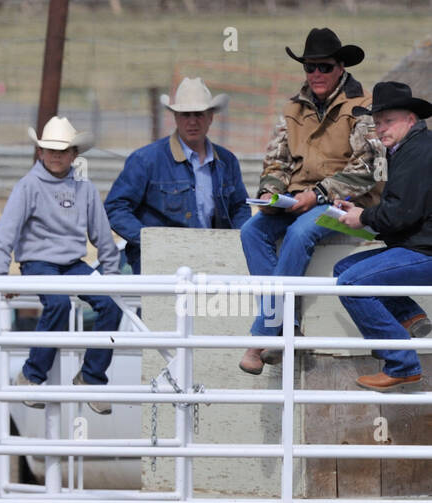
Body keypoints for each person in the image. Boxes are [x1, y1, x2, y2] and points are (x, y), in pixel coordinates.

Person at [238, 27, 391, 376]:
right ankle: (285, 325)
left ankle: (261, 336)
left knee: (301, 232)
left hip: (350, 202)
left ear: (340, 67)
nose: (316, 74)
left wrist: (318, 195)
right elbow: (276, 159)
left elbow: (368, 167)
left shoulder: (363, 107)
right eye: (310, 67)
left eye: (324, 67)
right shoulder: (293, 106)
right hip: (299, 198)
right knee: (251, 230)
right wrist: (269, 193)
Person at [0, 116, 122, 415]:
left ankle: (91, 376)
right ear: (40, 152)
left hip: (73, 264)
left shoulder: (85, 189)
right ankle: (31, 376)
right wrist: (1, 277)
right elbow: (6, 233)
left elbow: (103, 236)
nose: (55, 155)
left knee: (110, 304)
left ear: (74, 154)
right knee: (59, 304)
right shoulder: (28, 186)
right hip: (38, 263)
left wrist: (113, 277)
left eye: (62, 150)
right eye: (50, 149)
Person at [332, 82, 432, 391]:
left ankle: (401, 364)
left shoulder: (417, 153)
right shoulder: (411, 149)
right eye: (377, 122)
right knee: (343, 270)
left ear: (411, 119)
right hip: (417, 246)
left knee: (351, 284)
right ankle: (411, 318)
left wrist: (362, 216)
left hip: (424, 252)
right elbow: (400, 210)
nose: (381, 128)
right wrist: (362, 212)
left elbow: (401, 213)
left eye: (389, 120)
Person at [105, 77, 250, 274]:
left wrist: (235, 242)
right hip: (159, 260)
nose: (192, 121)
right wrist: (150, 241)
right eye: (185, 114)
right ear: (175, 117)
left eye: (198, 114)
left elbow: (239, 206)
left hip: (214, 257)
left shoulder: (226, 161)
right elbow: (116, 208)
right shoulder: (146, 160)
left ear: (210, 117)